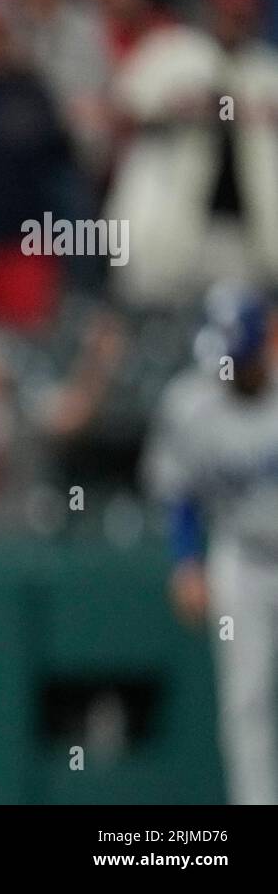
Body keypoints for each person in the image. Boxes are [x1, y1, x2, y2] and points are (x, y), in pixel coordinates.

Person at [143, 285, 278, 805]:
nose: (230, 370)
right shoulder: (190, 403)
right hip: (242, 557)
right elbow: (179, 494)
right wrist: (186, 563)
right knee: (247, 700)